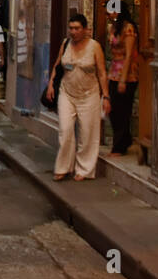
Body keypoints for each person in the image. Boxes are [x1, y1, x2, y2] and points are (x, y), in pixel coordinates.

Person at [46, 13, 110, 181]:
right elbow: (57, 66)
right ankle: (63, 167)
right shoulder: (65, 44)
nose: (73, 32)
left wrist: (106, 96)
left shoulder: (94, 47)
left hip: (89, 95)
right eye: (71, 28)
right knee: (65, 130)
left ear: (85, 30)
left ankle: (84, 169)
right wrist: (51, 84)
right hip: (66, 93)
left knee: (87, 133)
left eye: (77, 28)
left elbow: (102, 73)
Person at [106, 13, 140, 157]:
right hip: (114, 71)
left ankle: (119, 146)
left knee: (122, 109)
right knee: (112, 108)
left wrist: (123, 79)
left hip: (127, 74)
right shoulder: (113, 27)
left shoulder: (128, 28)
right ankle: (124, 139)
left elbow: (129, 54)